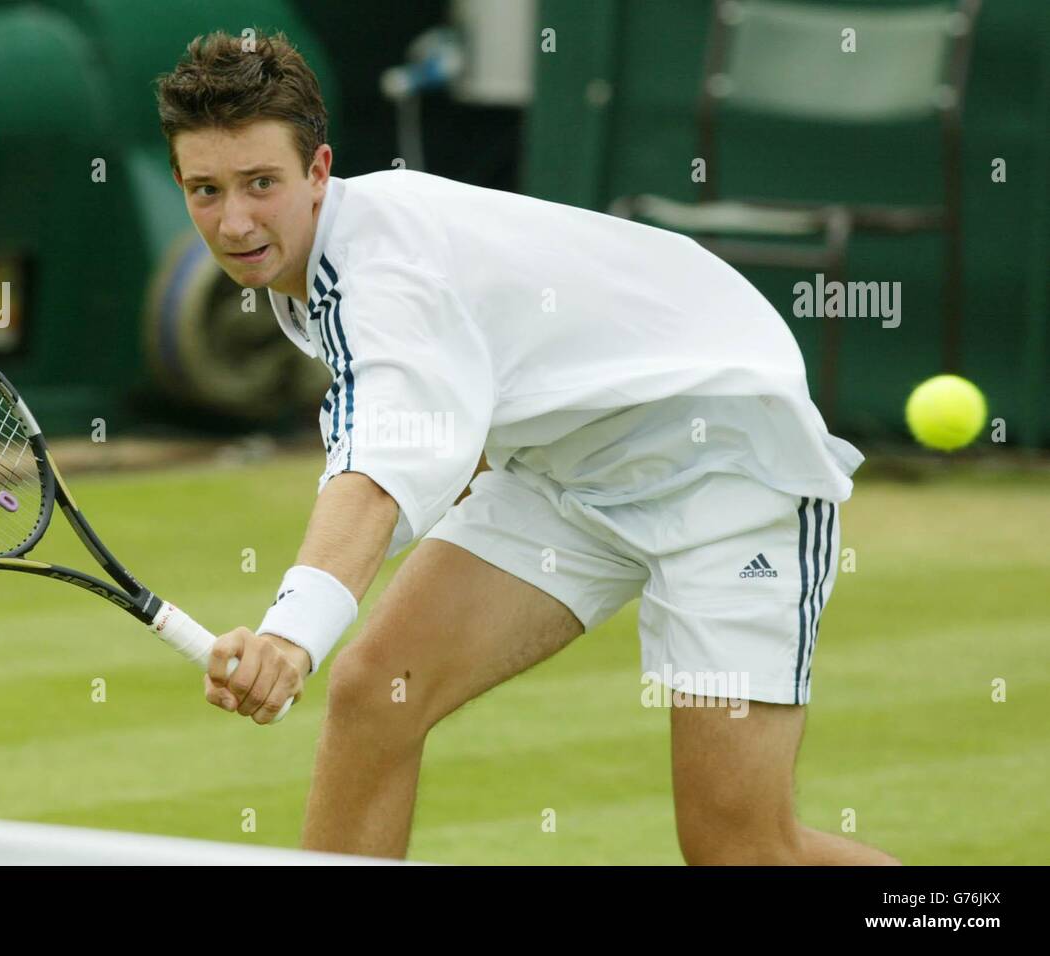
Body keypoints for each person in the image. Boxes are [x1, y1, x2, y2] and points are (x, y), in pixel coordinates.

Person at [154, 29, 899, 865]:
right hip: (567, 469)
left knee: (739, 849)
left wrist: (290, 635)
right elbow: (440, 432)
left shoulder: (381, 275)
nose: (236, 220)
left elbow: (378, 469)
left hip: (726, 457)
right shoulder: (314, 275)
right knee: (376, 693)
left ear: (319, 171)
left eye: (262, 183)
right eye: (206, 191)